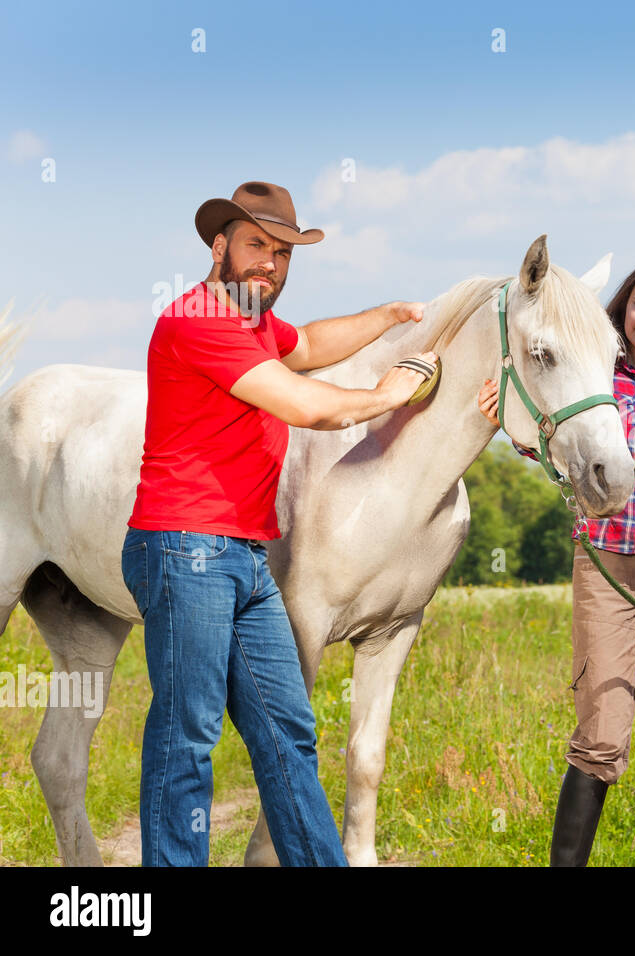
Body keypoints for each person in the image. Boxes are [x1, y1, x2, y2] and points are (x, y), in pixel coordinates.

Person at [120, 180, 440, 866]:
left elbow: (314, 342)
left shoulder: (255, 324)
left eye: (284, 254)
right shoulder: (199, 319)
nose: (269, 263)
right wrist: (386, 394)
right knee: (188, 735)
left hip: (242, 555)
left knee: (287, 731)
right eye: (256, 246)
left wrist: (386, 315)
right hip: (183, 547)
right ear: (219, 247)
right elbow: (304, 402)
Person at [476, 259, 635, 867]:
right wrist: (508, 422)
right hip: (606, 567)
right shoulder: (599, 373)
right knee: (601, 735)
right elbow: (553, 430)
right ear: (624, 305)